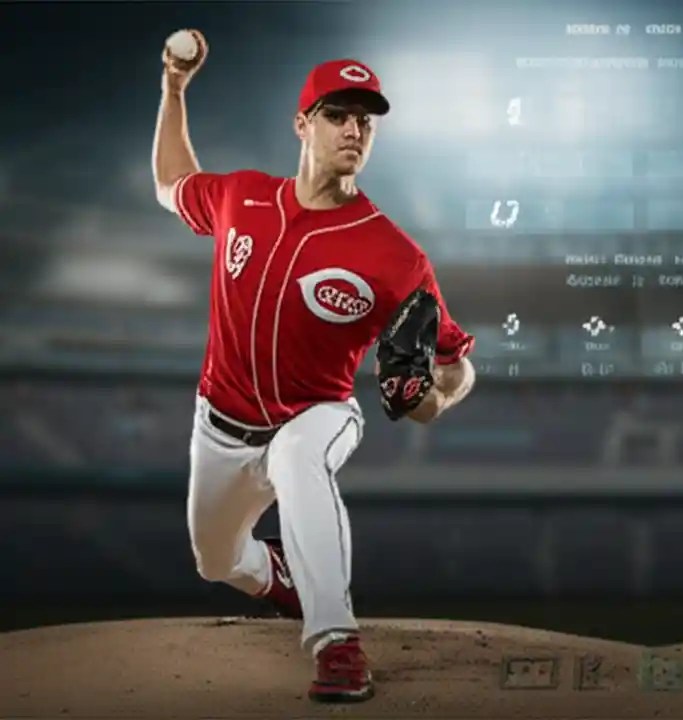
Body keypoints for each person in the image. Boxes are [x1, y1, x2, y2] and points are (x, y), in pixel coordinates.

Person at [150, 29, 477, 703]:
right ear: (303, 123)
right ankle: (283, 577)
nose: (354, 129)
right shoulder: (242, 197)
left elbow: (453, 368)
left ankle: (336, 643)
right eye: (338, 114)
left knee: (299, 455)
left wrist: (429, 399)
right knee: (215, 560)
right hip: (219, 423)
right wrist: (174, 90)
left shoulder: (396, 257)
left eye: (365, 119)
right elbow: (170, 183)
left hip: (316, 414)